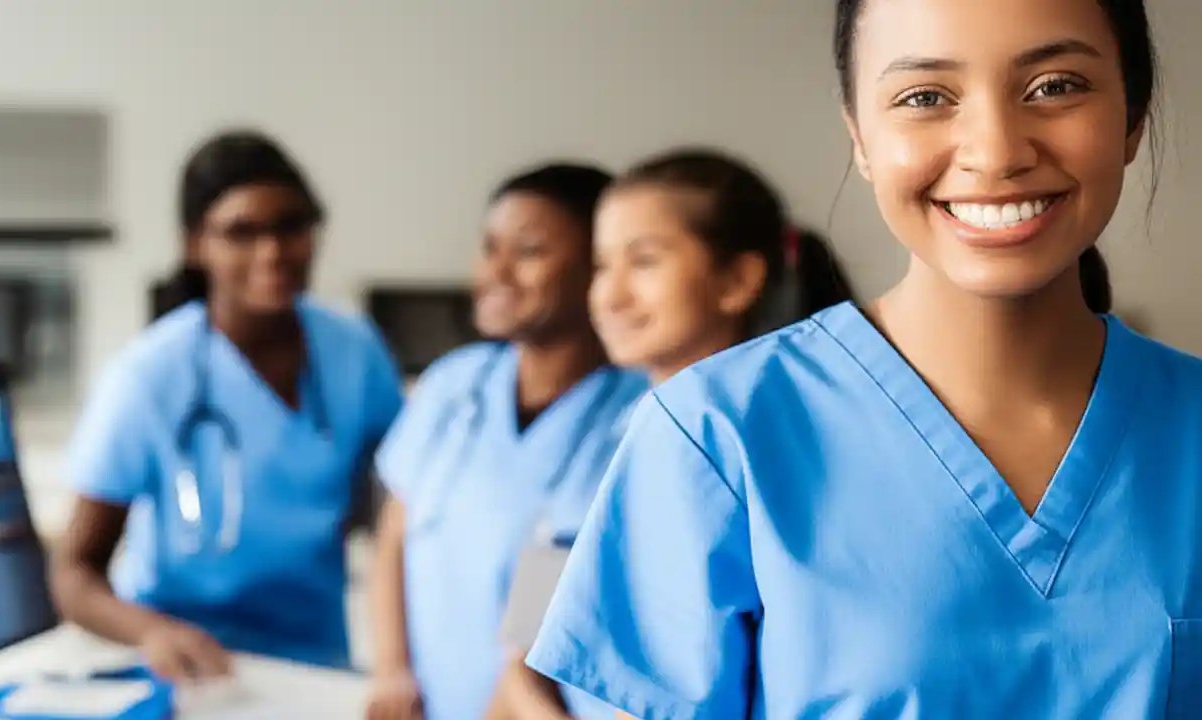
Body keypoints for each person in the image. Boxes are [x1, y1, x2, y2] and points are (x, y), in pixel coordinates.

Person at [529, 0, 1202, 717]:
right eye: (924, 97)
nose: (997, 150)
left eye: (1056, 86)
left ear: (1133, 116)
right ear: (860, 136)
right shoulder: (715, 434)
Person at [491, 148, 857, 719]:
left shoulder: (789, 453)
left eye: (644, 262)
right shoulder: (604, 436)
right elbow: (521, 649)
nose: (609, 295)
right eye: (601, 265)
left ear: (737, 280)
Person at [50, 130, 403, 679]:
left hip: (315, 661)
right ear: (195, 245)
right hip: (190, 666)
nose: (273, 251)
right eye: (241, 232)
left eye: (292, 225)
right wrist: (151, 632)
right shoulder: (149, 376)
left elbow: (397, 512)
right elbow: (73, 573)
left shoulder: (355, 352)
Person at [366, 164, 646, 720]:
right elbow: (394, 537)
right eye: (489, 248)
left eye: (529, 251)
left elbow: (536, 615)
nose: (494, 272)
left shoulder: (634, 416)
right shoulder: (452, 384)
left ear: (597, 266)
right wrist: (392, 670)